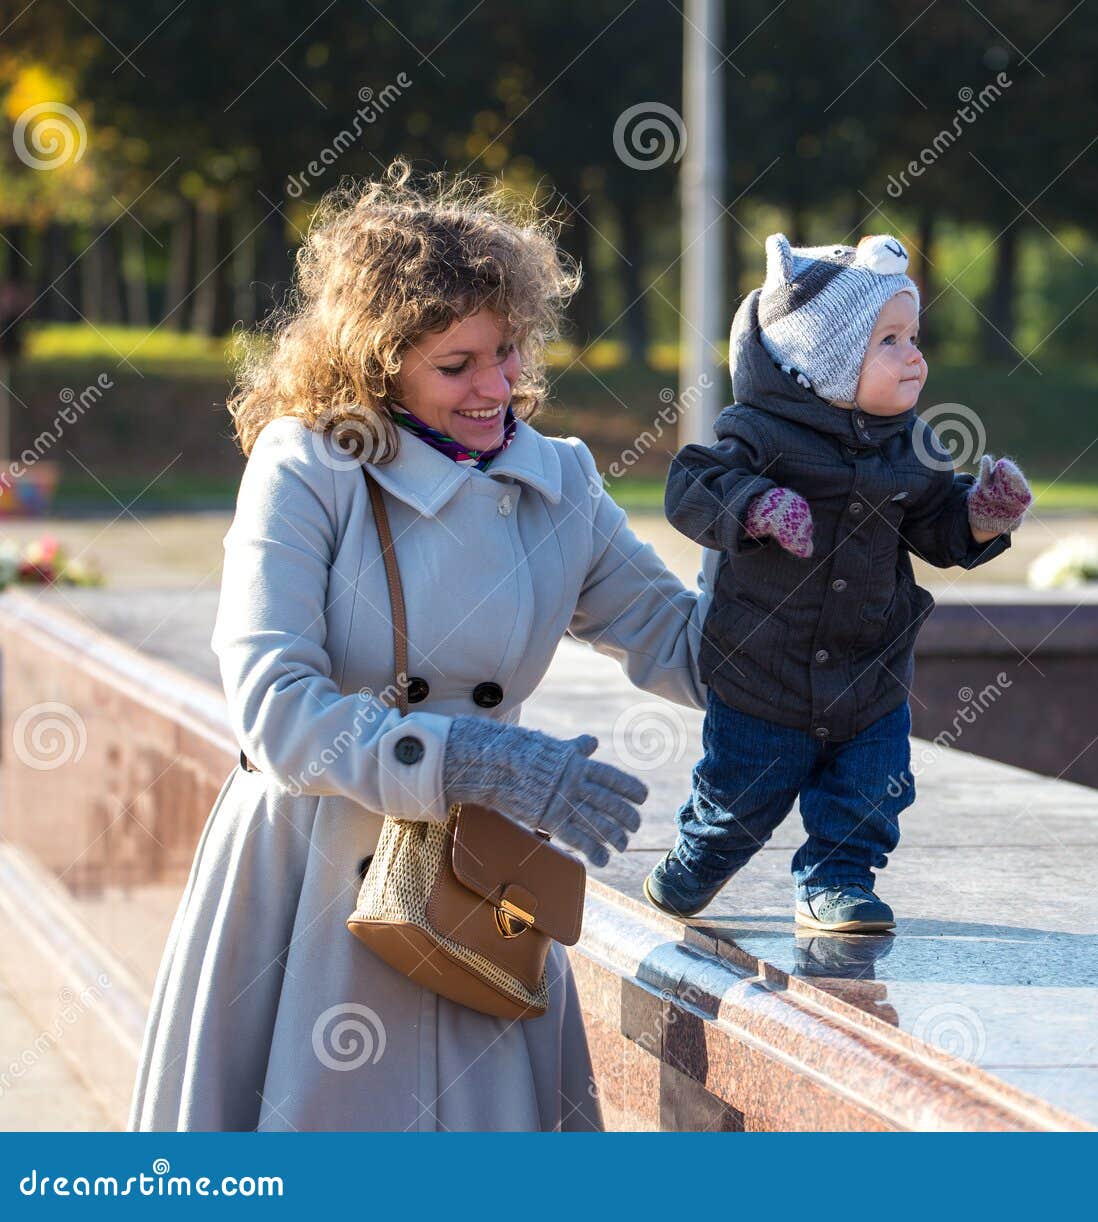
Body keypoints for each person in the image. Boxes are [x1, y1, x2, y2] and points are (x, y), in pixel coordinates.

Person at [128, 160, 706, 1131]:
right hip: (309, 890)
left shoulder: (555, 479)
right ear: (376, 359)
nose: (497, 388)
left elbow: (686, 642)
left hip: (476, 896)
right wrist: (481, 758)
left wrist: (805, 551)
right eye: (457, 365)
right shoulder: (307, 464)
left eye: (509, 351)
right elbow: (271, 706)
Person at [650, 233, 1031, 933]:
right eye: (889, 340)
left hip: (869, 674)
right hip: (764, 673)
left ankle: (839, 881)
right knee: (742, 796)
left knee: (869, 794)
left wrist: (977, 518)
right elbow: (692, 484)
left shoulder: (912, 443)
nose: (914, 355)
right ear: (817, 363)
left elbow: (932, 526)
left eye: (913, 336)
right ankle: (701, 855)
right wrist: (757, 506)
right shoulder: (759, 433)